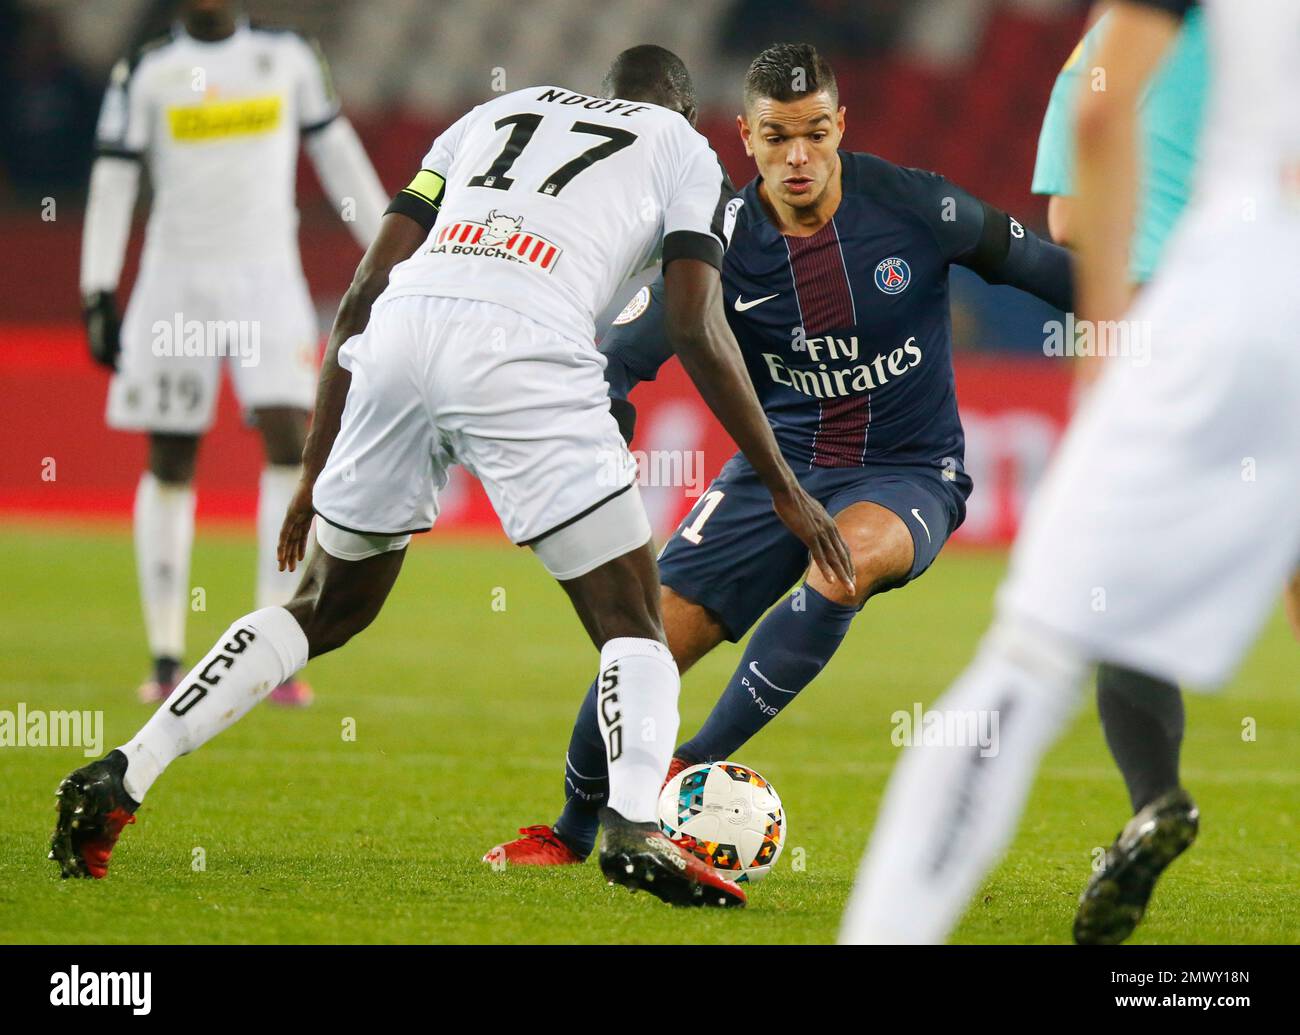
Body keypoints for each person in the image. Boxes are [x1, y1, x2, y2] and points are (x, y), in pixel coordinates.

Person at [52, 45, 853, 912]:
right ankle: (630, 824)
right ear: (688, 112)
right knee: (632, 620)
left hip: (402, 332)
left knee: (321, 607)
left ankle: (122, 771)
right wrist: (781, 481)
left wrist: (314, 467)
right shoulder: (681, 150)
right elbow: (695, 323)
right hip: (526, 345)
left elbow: (364, 285)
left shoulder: (486, 119)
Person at [486, 42, 1073, 869]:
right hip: (777, 474)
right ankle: (570, 832)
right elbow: (620, 356)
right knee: (645, 642)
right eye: (776, 137)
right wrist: (595, 445)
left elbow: (1052, 271)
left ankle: (688, 764)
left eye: (816, 133)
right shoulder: (716, 240)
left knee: (845, 563)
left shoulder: (918, 208)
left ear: (842, 126)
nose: (799, 157)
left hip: (910, 471)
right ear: (744, 137)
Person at [841, 0, 1300, 944]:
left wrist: (1102, 339)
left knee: (1049, 641)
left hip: (1209, 313)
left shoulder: (1112, 41)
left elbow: (1082, 184)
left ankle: (898, 926)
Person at [80, 0, 388, 706]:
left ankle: (270, 647)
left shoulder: (288, 60)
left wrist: (387, 250)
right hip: (174, 281)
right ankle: (164, 657)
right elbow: (114, 175)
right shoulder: (148, 70)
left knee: (291, 439)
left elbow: (337, 154)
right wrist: (97, 286)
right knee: (171, 455)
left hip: (266, 279)